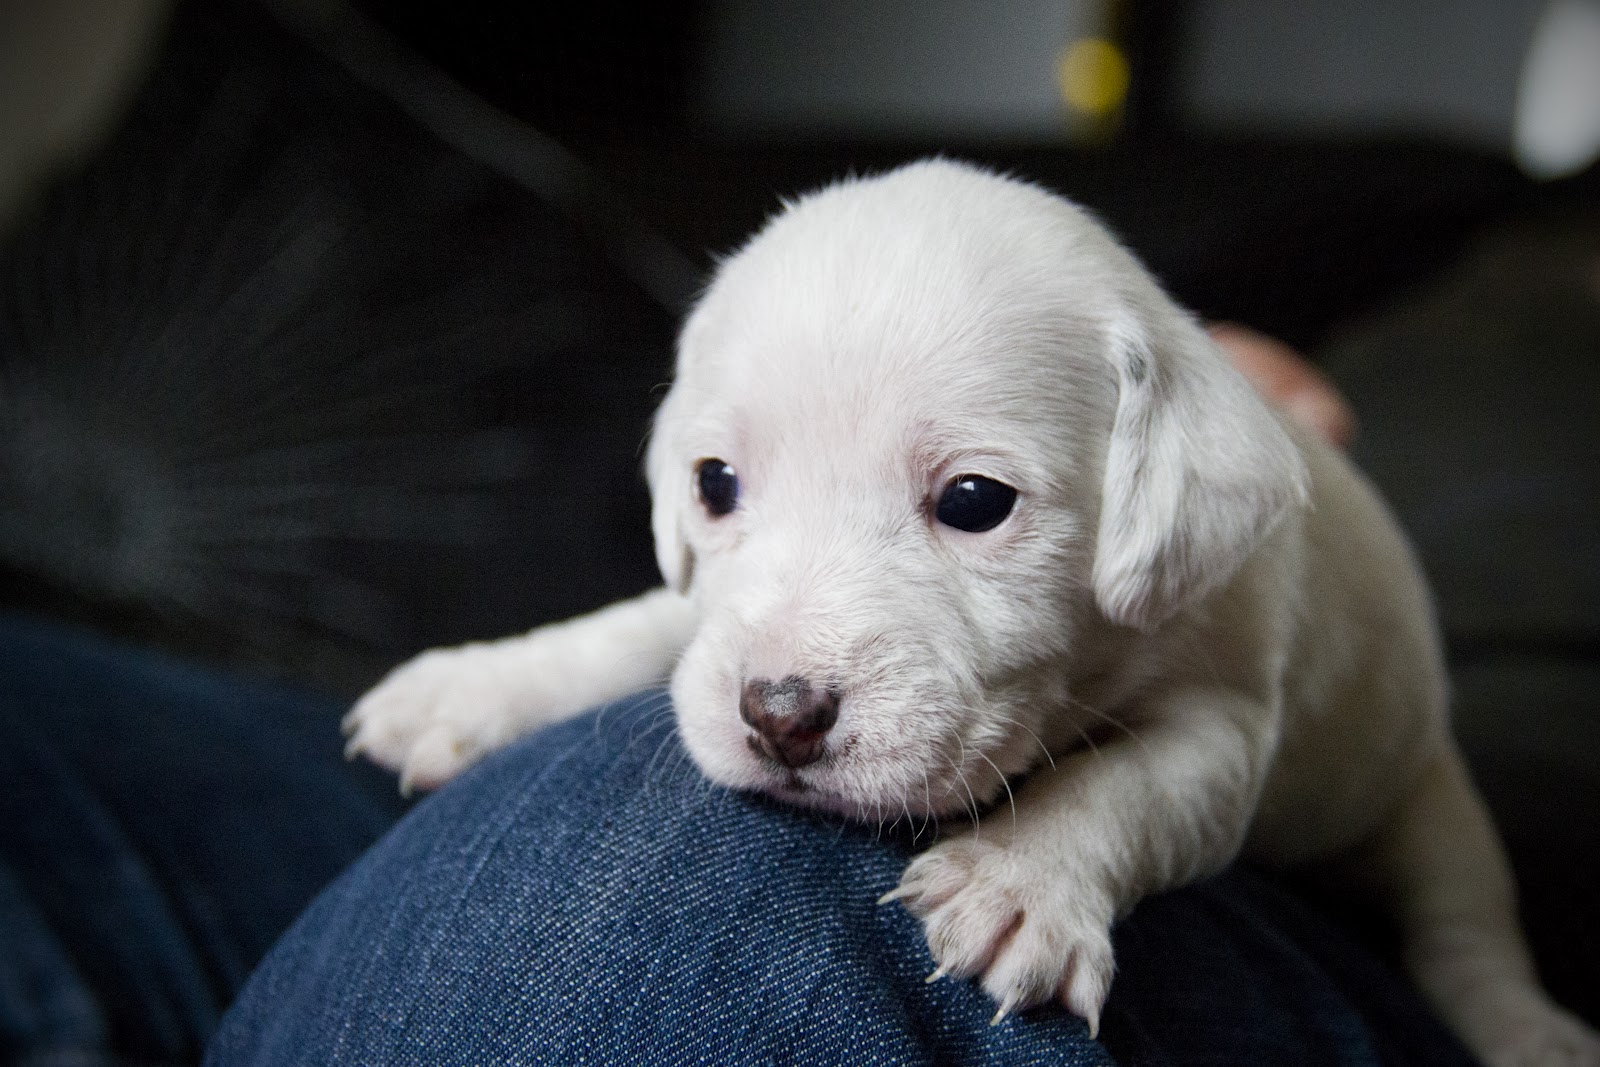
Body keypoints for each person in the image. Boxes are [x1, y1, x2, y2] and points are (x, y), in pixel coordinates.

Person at [11, 333, 1470, 1067]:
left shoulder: (1202, 440)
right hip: (330, 770)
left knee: (665, 866)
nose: (783, 691)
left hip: (1249, 845)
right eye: (717, 480)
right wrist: (545, 669)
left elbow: (1223, 735)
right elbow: (710, 601)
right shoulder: (804, 369)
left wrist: (1063, 853)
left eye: (970, 499)